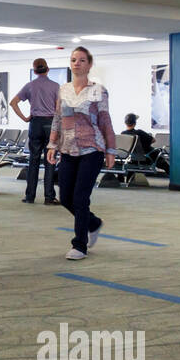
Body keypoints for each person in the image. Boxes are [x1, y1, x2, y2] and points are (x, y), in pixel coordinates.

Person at [47, 47, 116, 259]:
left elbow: (104, 120)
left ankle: (79, 245)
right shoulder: (63, 90)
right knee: (65, 197)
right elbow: (57, 119)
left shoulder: (98, 91)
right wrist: (52, 144)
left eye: (82, 60)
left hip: (91, 148)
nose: (77, 63)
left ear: (89, 64)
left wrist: (110, 150)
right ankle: (93, 223)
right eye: (74, 60)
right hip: (68, 149)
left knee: (80, 197)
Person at [12, 58, 60, 204]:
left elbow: (13, 103)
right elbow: (59, 109)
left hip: (35, 124)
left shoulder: (30, 86)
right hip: (50, 123)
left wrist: (25, 118)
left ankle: (30, 196)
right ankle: (49, 197)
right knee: (50, 161)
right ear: (48, 69)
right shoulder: (56, 86)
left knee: (33, 161)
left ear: (34, 71)